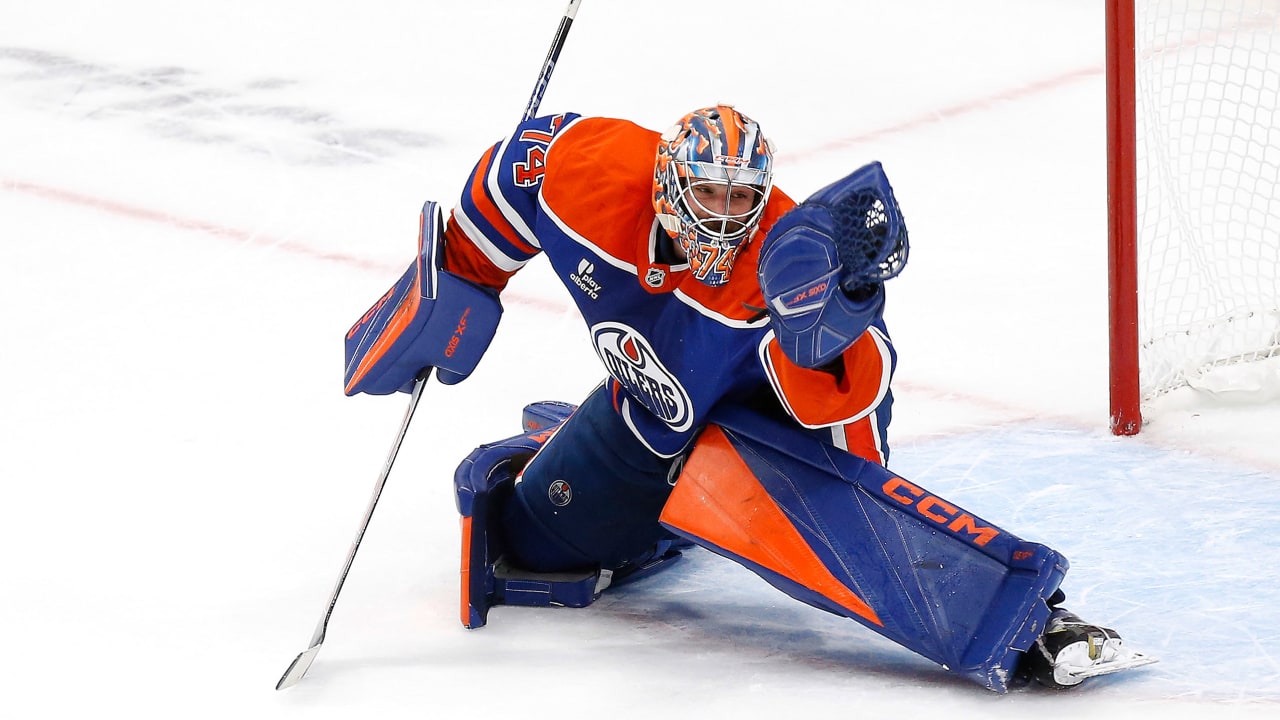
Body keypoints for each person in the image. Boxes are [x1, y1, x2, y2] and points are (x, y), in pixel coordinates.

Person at [342, 105, 1153, 692]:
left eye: (744, 198)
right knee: (529, 547)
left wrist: (865, 498)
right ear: (667, 183)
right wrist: (465, 273)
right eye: (710, 197)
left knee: (825, 553)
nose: (730, 219)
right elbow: (513, 167)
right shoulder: (590, 176)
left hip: (760, 425)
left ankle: (1029, 626)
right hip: (652, 412)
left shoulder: (791, 262)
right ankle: (584, 476)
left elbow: (859, 400)